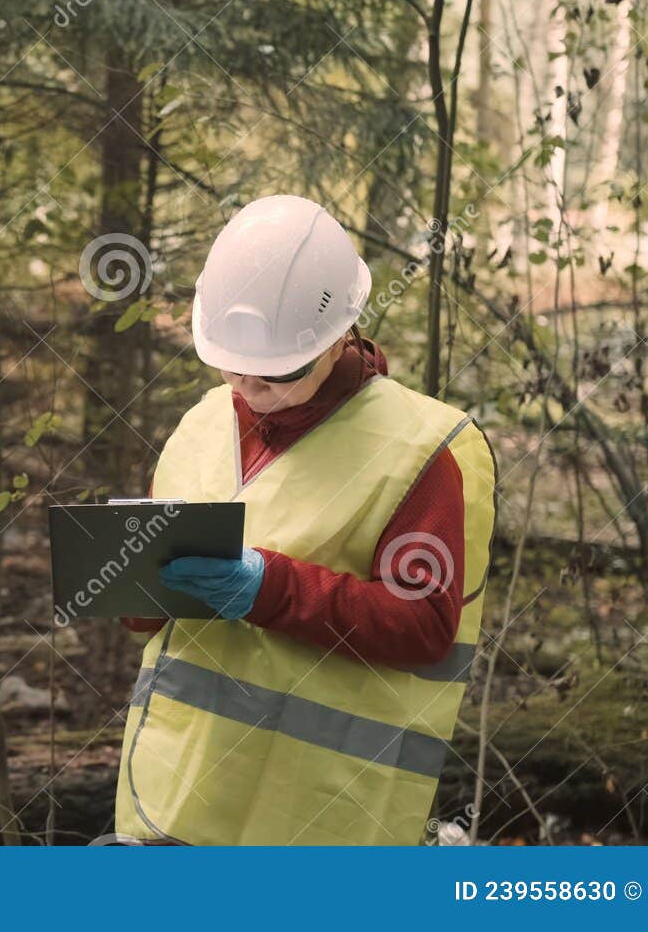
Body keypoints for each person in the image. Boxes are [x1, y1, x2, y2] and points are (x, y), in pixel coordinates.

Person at [115, 194, 496, 845]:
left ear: (340, 334)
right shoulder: (203, 422)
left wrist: (270, 589)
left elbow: (426, 628)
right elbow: (151, 620)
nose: (249, 387)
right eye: (231, 364)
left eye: (276, 372)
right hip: (173, 803)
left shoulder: (424, 448)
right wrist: (134, 582)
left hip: (323, 822)